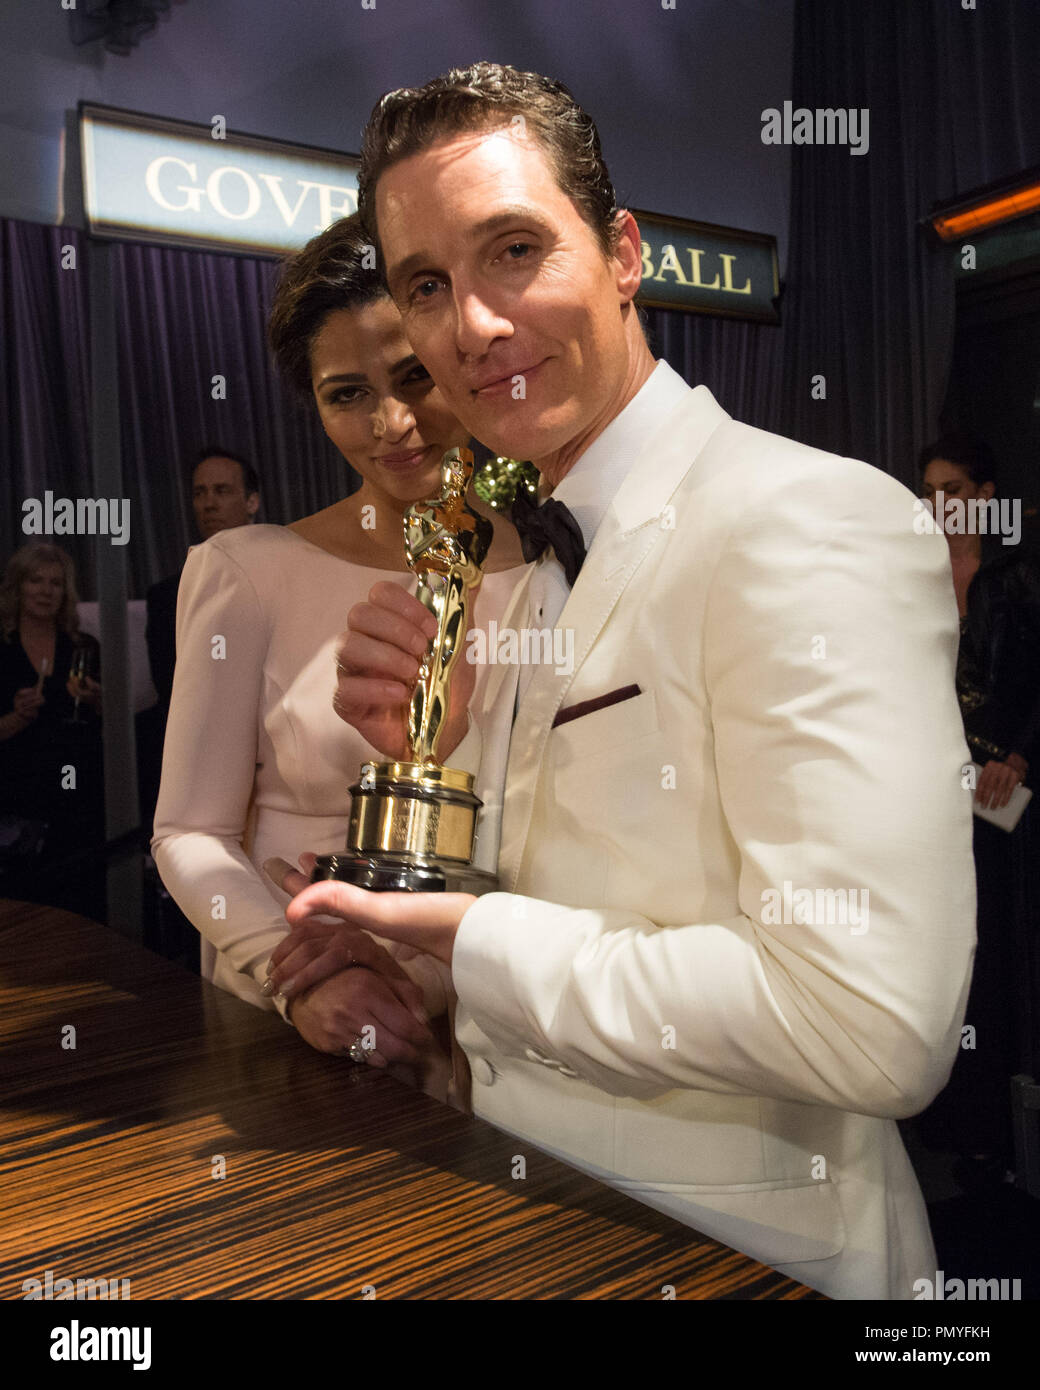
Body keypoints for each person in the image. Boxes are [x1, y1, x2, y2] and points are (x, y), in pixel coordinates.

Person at [266, 63, 975, 1301]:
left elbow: (870, 1023)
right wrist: (402, 914)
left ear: (625, 252)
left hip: (748, 1256)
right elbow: (575, 906)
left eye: (513, 250)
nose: (470, 326)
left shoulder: (805, 517)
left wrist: (468, 936)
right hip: (527, 1224)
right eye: (426, 285)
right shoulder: (532, 566)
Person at [151, 213, 526, 1098]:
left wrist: (424, 979)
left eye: (413, 376)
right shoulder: (246, 571)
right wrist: (307, 972)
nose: (392, 424)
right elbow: (188, 833)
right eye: (346, 393)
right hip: (299, 1035)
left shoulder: (552, 572)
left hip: (501, 1032)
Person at [916, 433, 1040, 1184]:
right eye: (928, 490)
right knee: (938, 950)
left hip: (1008, 795)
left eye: (953, 491)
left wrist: (1020, 753)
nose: (937, 504)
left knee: (996, 957)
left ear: (986, 497)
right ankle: (934, 1117)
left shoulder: (1020, 575)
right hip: (931, 792)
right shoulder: (913, 572)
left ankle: (991, 1136)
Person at [0, 542, 104, 917]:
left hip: (74, 783)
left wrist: (96, 702)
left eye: (56, 584)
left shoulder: (83, 647)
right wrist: (15, 718)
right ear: (17, 587)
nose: (46, 591)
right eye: (36, 581)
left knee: (78, 896)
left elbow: (109, 727)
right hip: (16, 790)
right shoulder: (3, 647)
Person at [145, 448, 261, 713]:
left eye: (222, 491)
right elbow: (171, 686)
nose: (209, 503)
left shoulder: (281, 578)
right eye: (200, 493)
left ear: (251, 502)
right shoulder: (166, 597)